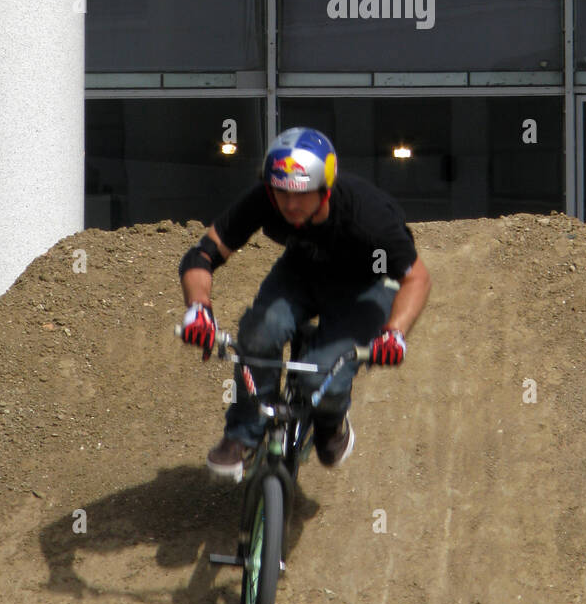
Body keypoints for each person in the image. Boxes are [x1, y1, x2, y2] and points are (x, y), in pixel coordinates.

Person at [178, 126, 431, 481]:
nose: (290, 204)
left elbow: (416, 278)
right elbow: (203, 254)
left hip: (364, 287)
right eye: (281, 193)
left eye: (302, 194)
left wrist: (395, 333)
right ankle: (243, 434)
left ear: (325, 189)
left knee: (323, 379)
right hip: (300, 270)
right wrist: (199, 309)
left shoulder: (370, 217)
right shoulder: (266, 200)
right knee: (258, 337)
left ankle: (331, 420)